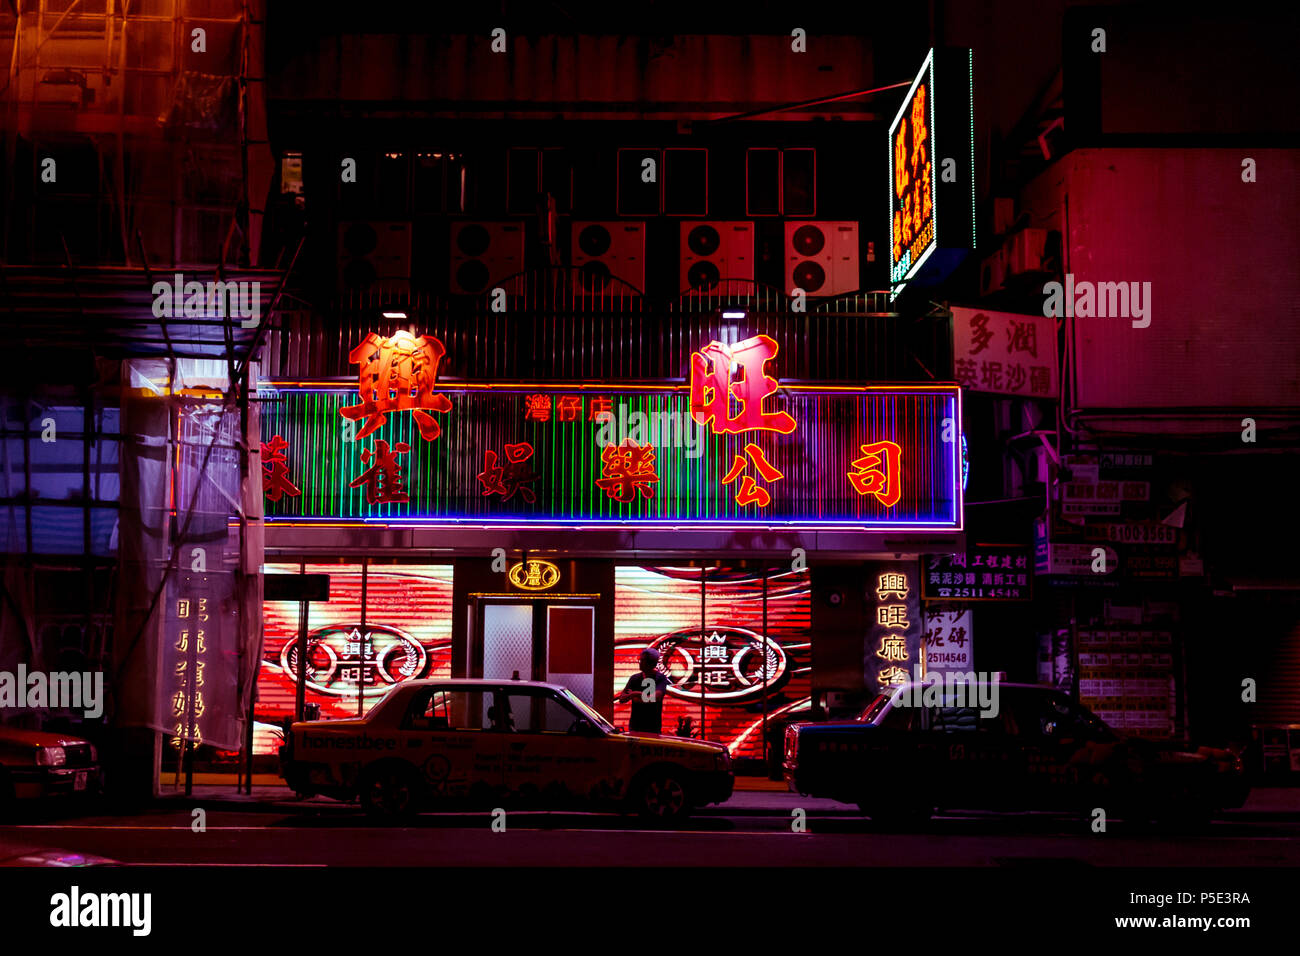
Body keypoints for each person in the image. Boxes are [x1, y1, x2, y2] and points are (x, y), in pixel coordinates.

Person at [615, 648, 670, 733]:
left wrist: (634, 693)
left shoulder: (660, 678)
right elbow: (622, 699)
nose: (640, 662)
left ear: (651, 663)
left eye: (642, 660)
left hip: (652, 727)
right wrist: (640, 696)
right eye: (640, 660)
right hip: (635, 726)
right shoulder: (634, 678)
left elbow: (654, 698)